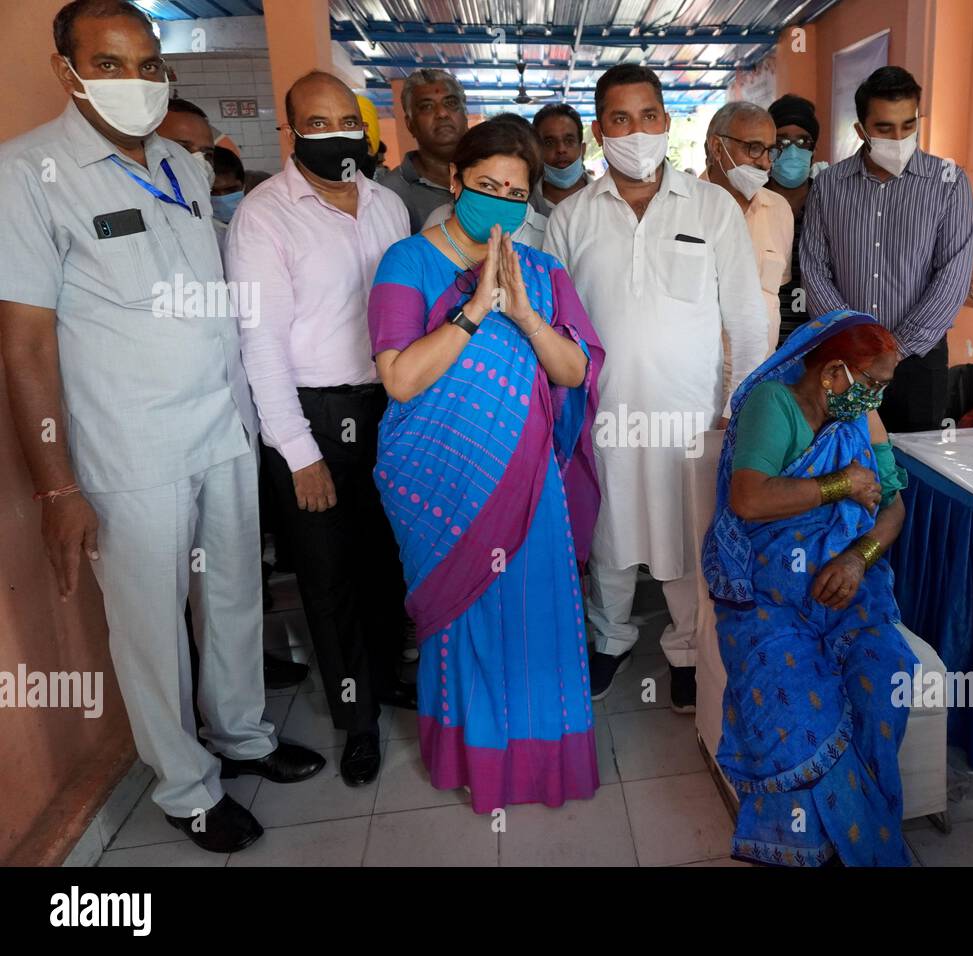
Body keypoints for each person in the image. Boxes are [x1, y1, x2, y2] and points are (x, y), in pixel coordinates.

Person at [0, 0, 323, 854]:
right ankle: (186, 788)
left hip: (221, 421)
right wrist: (56, 487)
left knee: (233, 594)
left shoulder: (182, 163)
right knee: (149, 626)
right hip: (129, 445)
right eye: (109, 64)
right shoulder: (26, 174)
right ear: (68, 71)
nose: (135, 81)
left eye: (148, 65)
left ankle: (242, 736)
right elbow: (23, 340)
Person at [367, 119, 605, 812]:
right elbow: (400, 379)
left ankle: (538, 762)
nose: (501, 201)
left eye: (515, 192)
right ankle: (477, 759)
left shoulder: (543, 270)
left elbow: (575, 370)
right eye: (486, 185)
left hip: (528, 483)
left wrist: (527, 318)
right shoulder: (407, 262)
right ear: (454, 180)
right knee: (464, 622)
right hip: (439, 481)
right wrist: (474, 309)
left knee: (533, 618)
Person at [544, 64, 768, 711]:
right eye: (620, 119)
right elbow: (557, 324)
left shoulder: (712, 207)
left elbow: (746, 320)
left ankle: (688, 652)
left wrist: (737, 408)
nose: (636, 132)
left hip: (691, 416)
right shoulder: (572, 218)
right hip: (603, 414)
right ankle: (609, 639)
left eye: (648, 117)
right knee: (607, 533)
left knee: (686, 538)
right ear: (599, 132)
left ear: (667, 123)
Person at [225, 70, 413, 786]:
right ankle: (355, 719)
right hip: (313, 418)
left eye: (348, 120)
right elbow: (261, 345)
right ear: (291, 131)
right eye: (317, 122)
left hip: (389, 406)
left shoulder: (386, 205)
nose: (337, 134)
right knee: (330, 576)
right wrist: (299, 453)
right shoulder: (264, 216)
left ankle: (386, 676)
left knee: (387, 558)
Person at [703, 311, 915, 866]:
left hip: (848, 591)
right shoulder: (774, 404)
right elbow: (749, 498)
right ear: (832, 372)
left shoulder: (864, 417)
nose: (876, 397)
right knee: (798, 711)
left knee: (887, 676)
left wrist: (858, 558)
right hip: (769, 597)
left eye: (884, 386)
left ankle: (854, 839)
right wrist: (840, 483)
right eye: (871, 383)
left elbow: (893, 509)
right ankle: (847, 848)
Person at [802, 66, 973, 433]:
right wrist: (854, 339)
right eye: (884, 128)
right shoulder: (829, 185)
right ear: (861, 130)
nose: (899, 138)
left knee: (915, 458)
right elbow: (814, 267)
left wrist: (896, 348)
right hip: (844, 359)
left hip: (919, 359)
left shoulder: (948, 183)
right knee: (845, 452)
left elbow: (954, 274)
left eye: (908, 126)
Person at [702, 100, 793, 358]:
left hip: (760, 371)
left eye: (771, 151)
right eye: (753, 148)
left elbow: (774, 294)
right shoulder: (681, 208)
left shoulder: (779, 210)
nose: (764, 162)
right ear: (717, 147)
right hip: (698, 374)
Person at [422, 113, 549, 247]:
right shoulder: (434, 226)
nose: (500, 205)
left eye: (516, 193)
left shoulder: (543, 238)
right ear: (454, 177)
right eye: (487, 186)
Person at [767, 94, 829, 346]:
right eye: (781, 141)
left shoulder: (829, 203)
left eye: (803, 141)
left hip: (818, 342)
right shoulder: (750, 203)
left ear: (813, 149)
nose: (793, 150)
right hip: (763, 344)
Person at [379, 68, 469, 233]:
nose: (442, 113)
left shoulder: (493, 176)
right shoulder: (389, 193)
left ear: (465, 115)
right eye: (427, 106)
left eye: (451, 103)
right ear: (410, 124)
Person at [532, 102, 591, 214]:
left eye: (569, 141)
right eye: (549, 143)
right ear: (537, 152)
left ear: (582, 149)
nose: (561, 149)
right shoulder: (524, 203)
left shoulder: (609, 200)